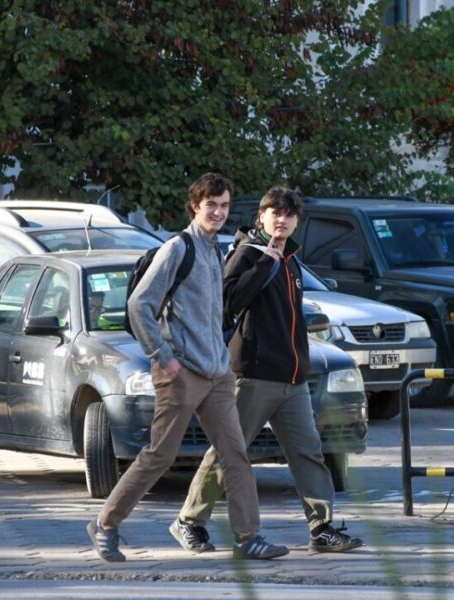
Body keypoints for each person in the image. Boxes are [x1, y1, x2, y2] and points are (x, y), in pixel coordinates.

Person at [86, 173, 288, 562]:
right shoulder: (179, 248)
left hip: (216, 374)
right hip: (180, 373)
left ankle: (250, 538)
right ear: (195, 205)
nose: (218, 211)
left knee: (235, 455)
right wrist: (162, 356)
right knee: (159, 456)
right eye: (211, 204)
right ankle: (106, 525)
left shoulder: (216, 249)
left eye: (225, 205)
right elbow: (139, 305)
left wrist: (223, 364)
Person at [170, 186, 363, 556]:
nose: (283, 220)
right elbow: (227, 303)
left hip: (292, 378)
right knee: (230, 452)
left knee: (308, 453)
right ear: (261, 217)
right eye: (276, 213)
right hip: (253, 375)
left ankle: (321, 528)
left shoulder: (292, 260)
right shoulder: (247, 253)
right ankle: (189, 521)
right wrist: (265, 262)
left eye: (290, 215)